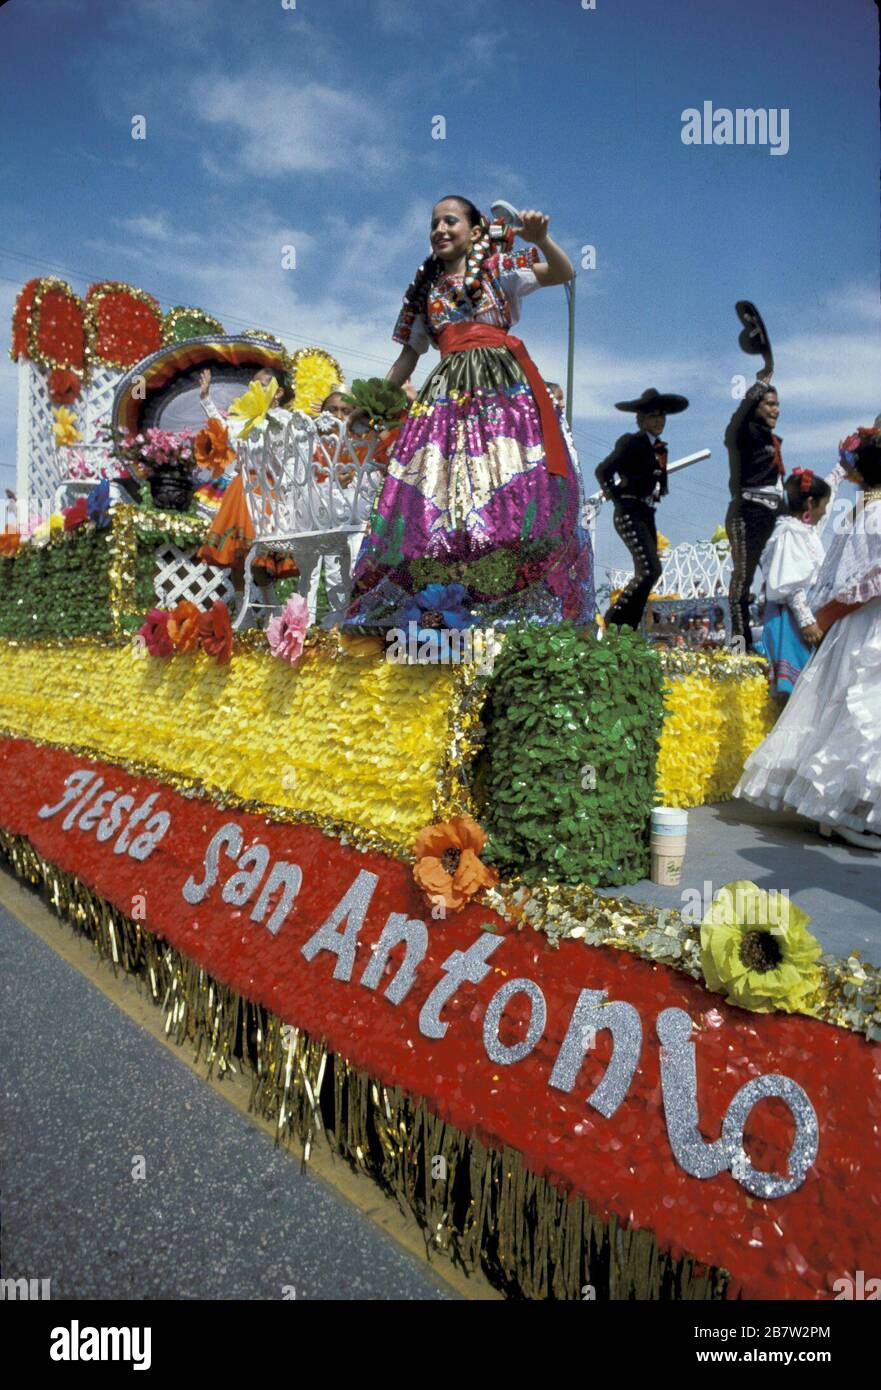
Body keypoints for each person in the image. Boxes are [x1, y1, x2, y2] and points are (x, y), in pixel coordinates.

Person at [342, 196, 594, 634]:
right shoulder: (425, 288)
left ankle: (513, 605)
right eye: (434, 223)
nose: (440, 229)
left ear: (476, 231)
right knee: (438, 496)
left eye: (451, 221)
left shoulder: (500, 266)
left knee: (507, 491)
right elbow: (407, 359)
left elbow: (563, 272)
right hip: (444, 399)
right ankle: (443, 604)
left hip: (503, 394)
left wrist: (541, 240)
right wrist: (370, 404)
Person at [734, 433, 881, 849]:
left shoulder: (858, 511)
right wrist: (828, 613)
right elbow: (872, 578)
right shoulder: (873, 512)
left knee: (848, 710)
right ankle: (847, 809)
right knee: (863, 714)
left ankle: (837, 807)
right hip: (867, 621)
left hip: (854, 622)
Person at [197, 369, 298, 597]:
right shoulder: (244, 419)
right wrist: (206, 399)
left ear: (279, 392)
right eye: (253, 384)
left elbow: (290, 459)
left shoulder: (286, 421)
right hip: (241, 490)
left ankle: (272, 608)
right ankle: (245, 617)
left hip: (267, 490)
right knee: (237, 556)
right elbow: (224, 432)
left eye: (262, 385)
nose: (255, 389)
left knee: (260, 557)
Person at [595, 388, 689, 631]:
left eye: (662, 416)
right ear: (641, 419)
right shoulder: (632, 442)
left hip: (646, 512)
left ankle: (629, 625)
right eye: (652, 416)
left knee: (651, 571)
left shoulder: (658, 447)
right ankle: (614, 620)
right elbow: (603, 470)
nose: (658, 421)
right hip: (629, 511)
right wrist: (618, 499)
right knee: (648, 569)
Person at [725, 357, 785, 650]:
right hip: (747, 512)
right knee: (742, 581)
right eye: (769, 404)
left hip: (774, 512)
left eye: (777, 404)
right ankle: (739, 645)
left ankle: (782, 644)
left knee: (783, 575)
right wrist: (760, 383)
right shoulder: (743, 434)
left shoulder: (771, 440)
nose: (775, 409)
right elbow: (740, 416)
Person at [757, 469, 833, 699]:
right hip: (791, 621)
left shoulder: (802, 531)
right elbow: (791, 585)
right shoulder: (790, 533)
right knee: (798, 696)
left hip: (801, 617)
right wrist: (806, 622)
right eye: (824, 504)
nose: (826, 510)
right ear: (810, 503)